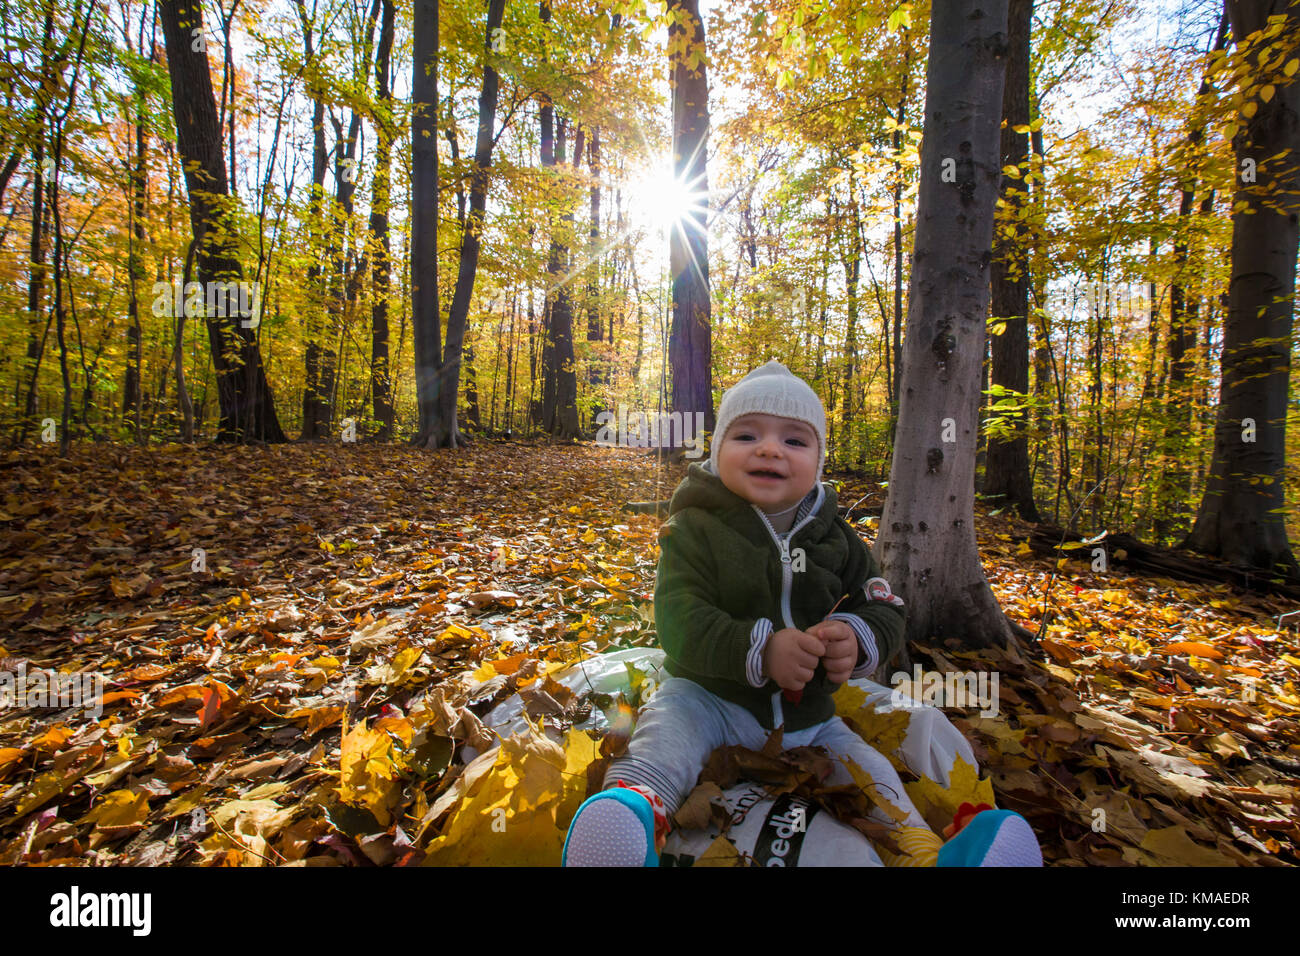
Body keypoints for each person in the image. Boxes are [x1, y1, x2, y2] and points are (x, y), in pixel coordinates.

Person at [563, 360, 1042, 867]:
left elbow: (883, 604)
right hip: (706, 698)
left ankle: (925, 855)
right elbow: (678, 618)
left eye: (795, 441)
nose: (770, 449)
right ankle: (630, 822)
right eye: (747, 435)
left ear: (818, 460)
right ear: (718, 449)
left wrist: (856, 637)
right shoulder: (695, 528)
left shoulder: (837, 539)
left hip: (811, 721)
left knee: (872, 774)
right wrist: (762, 649)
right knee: (663, 741)